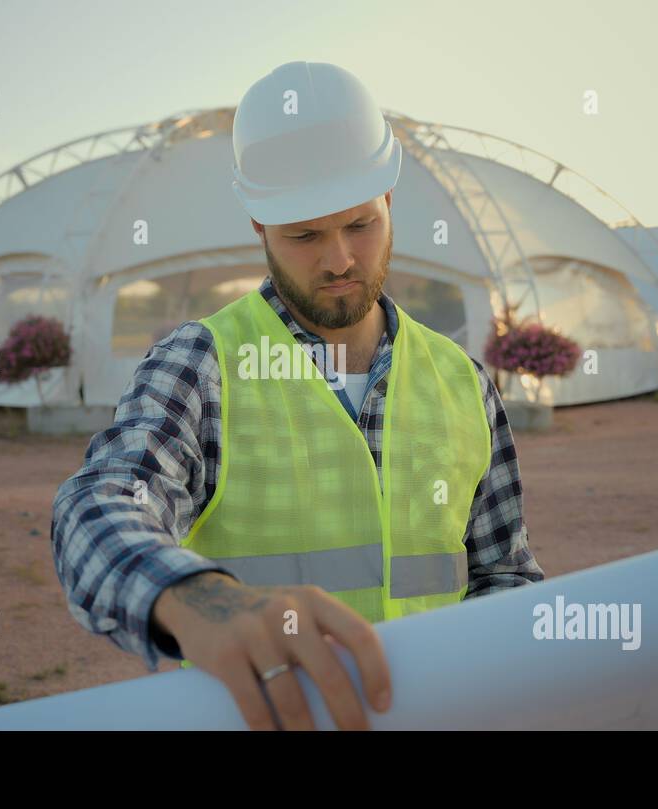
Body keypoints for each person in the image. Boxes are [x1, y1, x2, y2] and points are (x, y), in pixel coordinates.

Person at [52, 61, 543, 731]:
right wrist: (200, 599)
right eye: (305, 235)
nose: (339, 259)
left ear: (390, 199)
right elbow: (98, 502)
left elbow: (505, 573)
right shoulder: (203, 364)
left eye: (359, 225)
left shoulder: (461, 379)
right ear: (258, 223)